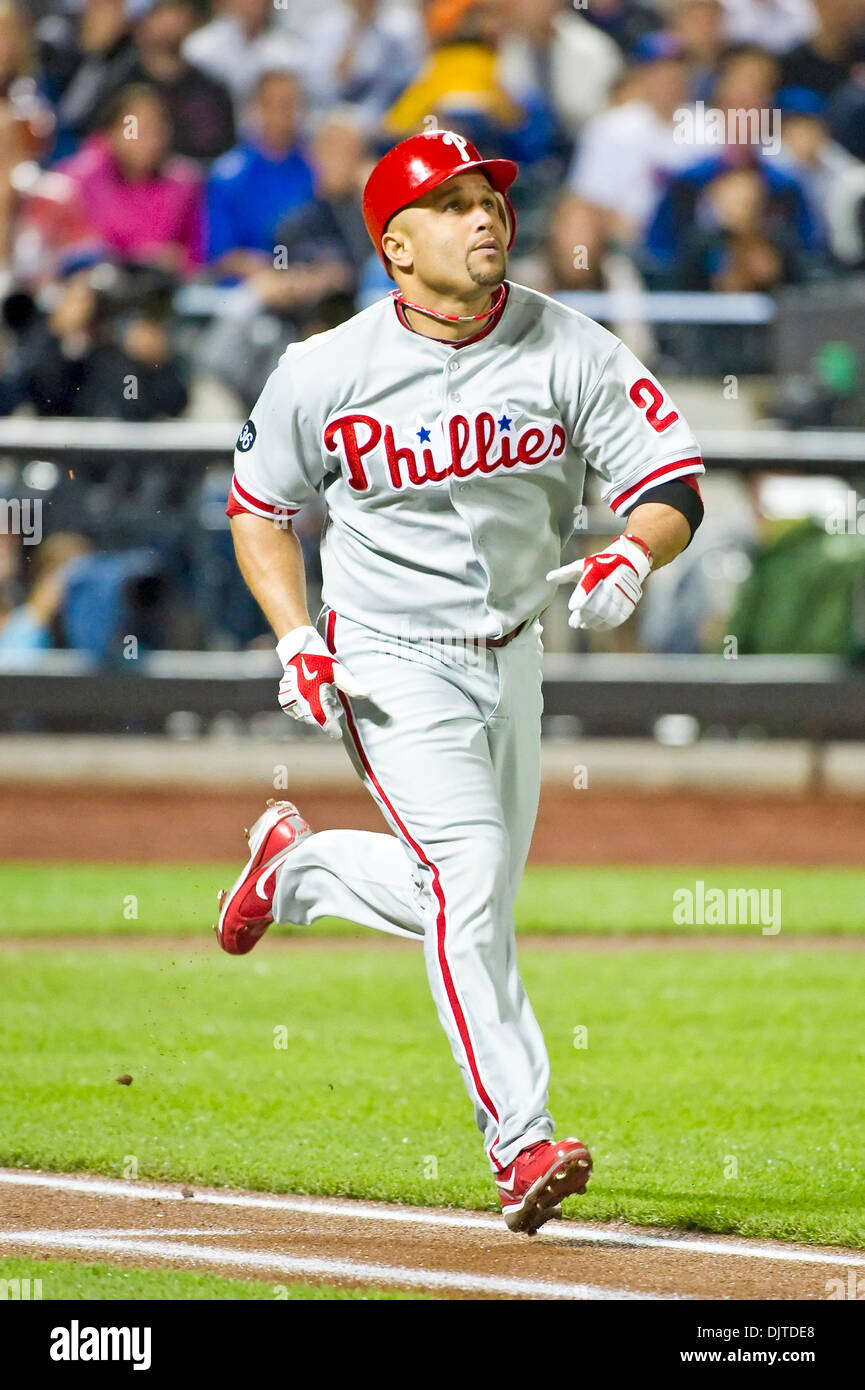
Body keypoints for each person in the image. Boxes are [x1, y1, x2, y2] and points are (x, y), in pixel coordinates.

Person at [215, 129, 705, 1234]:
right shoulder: (326, 368)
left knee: (468, 904)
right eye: (451, 203)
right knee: (470, 881)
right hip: (389, 660)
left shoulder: (567, 344)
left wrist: (635, 550)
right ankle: (520, 1141)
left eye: (489, 197)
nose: (484, 217)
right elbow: (258, 507)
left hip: (515, 652)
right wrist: (296, 636)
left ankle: (297, 869)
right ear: (396, 244)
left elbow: (671, 480)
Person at [204, 69, 313, 278]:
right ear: (257, 109)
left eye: (291, 104)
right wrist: (273, 273)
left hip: (306, 282)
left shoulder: (316, 168)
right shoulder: (228, 175)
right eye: (275, 105)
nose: (284, 114)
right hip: (246, 287)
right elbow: (219, 254)